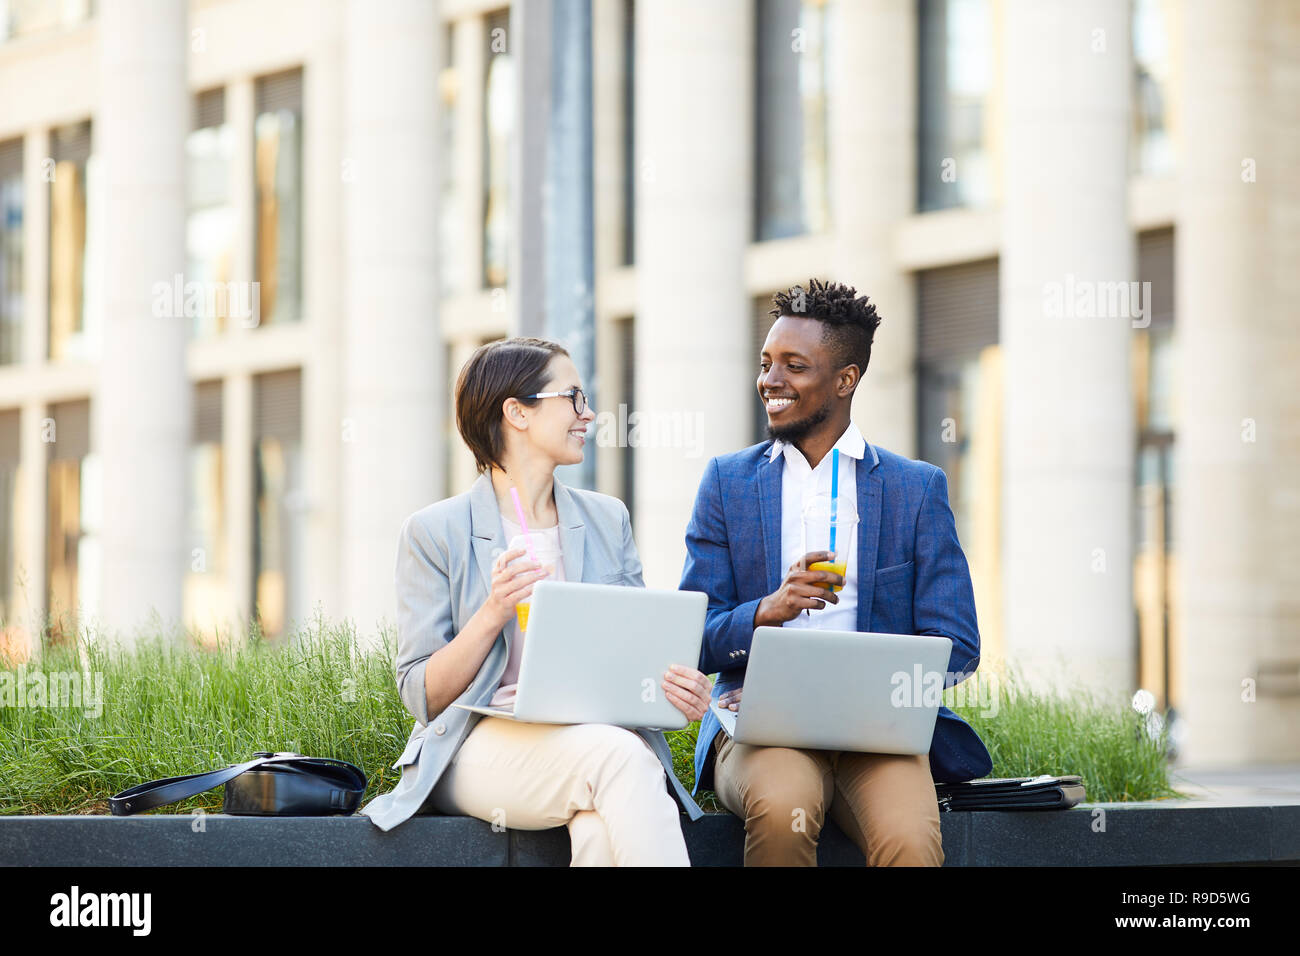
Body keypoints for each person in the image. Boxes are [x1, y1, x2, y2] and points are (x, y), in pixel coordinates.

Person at [361, 337, 710, 866]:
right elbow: (421, 695)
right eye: (573, 397)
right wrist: (493, 611)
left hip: (585, 741)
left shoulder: (606, 519)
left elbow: (635, 650)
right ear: (517, 412)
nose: (588, 414)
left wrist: (672, 688)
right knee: (621, 758)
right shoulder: (435, 532)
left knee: (597, 829)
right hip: (475, 745)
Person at [680, 279, 993, 867]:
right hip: (761, 730)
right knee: (781, 808)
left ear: (845, 379)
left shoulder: (914, 489)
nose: (770, 380)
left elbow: (957, 644)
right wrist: (767, 610)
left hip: (875, 733)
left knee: (909, 839)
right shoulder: (728, 484)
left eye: (794, 366)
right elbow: (693, 636)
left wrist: (881, 688)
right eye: (767, 363)